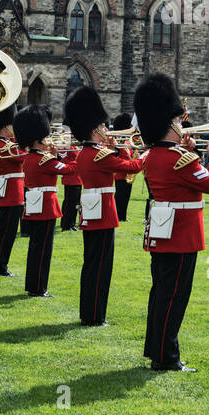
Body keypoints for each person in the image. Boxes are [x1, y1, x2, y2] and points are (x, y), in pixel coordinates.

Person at [134, 73, 209, 372]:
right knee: (174, 298)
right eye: (179, 120)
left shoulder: (156, 155)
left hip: (161, 231)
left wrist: (189, 153)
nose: (182, 124)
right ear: (170, 122)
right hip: (182, 234)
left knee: (160, 293)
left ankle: (156, 349)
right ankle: (166, 356)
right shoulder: (179, 159)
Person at [65, 86, 146, 325]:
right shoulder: (99, 155)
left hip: (92, 211)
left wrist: (113, 150)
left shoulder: (86, 154)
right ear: (94, 130)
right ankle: (95, 316)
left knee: (91, 264)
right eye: (102, 127)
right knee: (100, 268)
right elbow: (132, 167)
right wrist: (148, 153)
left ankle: (88, 312)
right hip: (102, 213)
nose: (106, 129)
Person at [14, 105, 70, 298]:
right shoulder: (44, 160)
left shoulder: (31, 157)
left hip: (35, 205)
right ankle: (38, 288)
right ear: (38, 139)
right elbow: (69, 170)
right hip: (46, 207)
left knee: (36, 248)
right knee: (43, 251)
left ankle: (33, 285)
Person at [0, 106, 25, 277]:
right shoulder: (1, 145)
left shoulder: (6, 144)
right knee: (6, 233)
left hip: (12, 191)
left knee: (4, 231)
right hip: (10, 193)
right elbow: (23, 157)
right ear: (6, 126)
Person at [112, 113, 136, 222]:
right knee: (120, 197)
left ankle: (123, 217)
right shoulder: (118, 142)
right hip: (120, 174)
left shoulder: (127, 141)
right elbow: (116, 157)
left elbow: (130, 155)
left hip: (129, 174)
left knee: (126, 197)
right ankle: (118, 216)